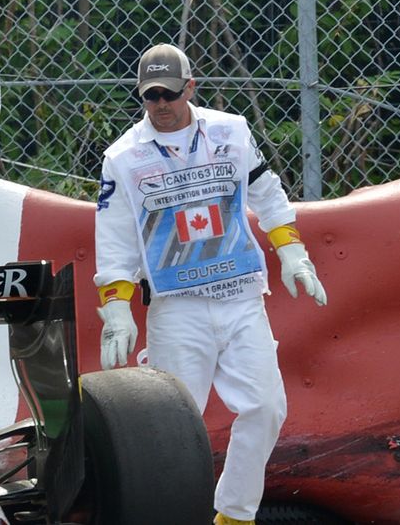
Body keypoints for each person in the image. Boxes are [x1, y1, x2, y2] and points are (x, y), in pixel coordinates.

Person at [93, 43, 328, 525]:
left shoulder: (231, 130)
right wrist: (116, 309)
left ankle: (234, 516)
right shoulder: (122, 157)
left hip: (240, 295)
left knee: (266, 407)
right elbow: (114, 238)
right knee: (171, 427)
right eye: (151, 95)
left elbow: (268, 193)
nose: (161, 104)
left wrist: (293, 252)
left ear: (190, 88)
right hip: (176, 305)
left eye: (169, 93)